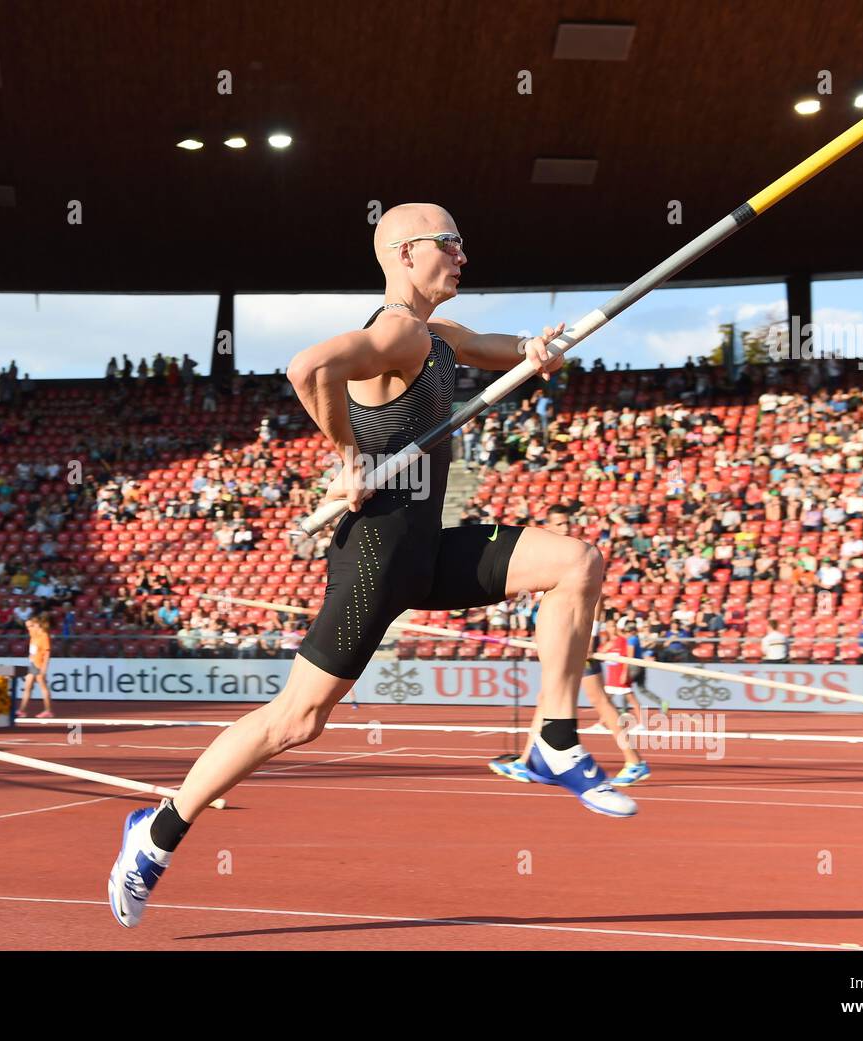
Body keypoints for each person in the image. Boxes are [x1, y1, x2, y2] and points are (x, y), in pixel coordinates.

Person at [108, 202, 635, 929]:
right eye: (450, 243)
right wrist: (348, 455)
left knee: (576, 561)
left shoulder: (439, 335)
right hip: (377, 557)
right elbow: (308, 365)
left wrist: (541, 346)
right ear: (405, 252)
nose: (464, 255)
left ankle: (553, 736)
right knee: (295, 720)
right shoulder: (399, 329)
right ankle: (158, 830)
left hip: (426, 549)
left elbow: (502, 347)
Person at [488, 602, 650, 787]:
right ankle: (524, 763)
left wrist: (591, 636)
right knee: (548, 699)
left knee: (596, 700)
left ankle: (635, 762)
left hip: (575, 640)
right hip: (567, 639)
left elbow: (596, 597)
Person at [16, 615, 54, 718]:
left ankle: (48, 710)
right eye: (27, 627)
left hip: (39, 665)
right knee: (27, 687)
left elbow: (47, 653)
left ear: (37, 625)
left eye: (31, 626)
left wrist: (44, 668)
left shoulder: (44, 635)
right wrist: (31, 658)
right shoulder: (33, 636)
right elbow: (33, 651)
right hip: (33, 664)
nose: (29, 629)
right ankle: (21, 710)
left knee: (43, 688)